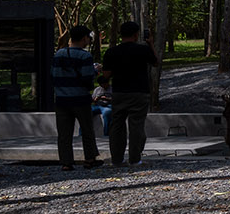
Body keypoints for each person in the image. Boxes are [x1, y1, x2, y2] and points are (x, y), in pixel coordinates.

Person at [103, 20, 160, 167]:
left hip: (119, 92)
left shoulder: (111, 52)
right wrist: (151, 43)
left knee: (117, 125)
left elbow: (106, 74)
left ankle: (117, 159)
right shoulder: (142, 50)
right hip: (139, 92)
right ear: (136, 35)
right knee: (136, 126)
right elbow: (155, 62)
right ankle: (135, 159)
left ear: (120, 34)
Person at [50, 24, 101, 171]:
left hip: (61, 99)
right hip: (80, 99)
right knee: (86, 129)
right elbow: (86, 79)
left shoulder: (58, 54)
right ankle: (90, 159)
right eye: (88, 39)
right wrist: (95, 71)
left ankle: (66, 162)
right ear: (84, 38)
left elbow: (52, 74)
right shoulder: (85, 56)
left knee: (64, 133)